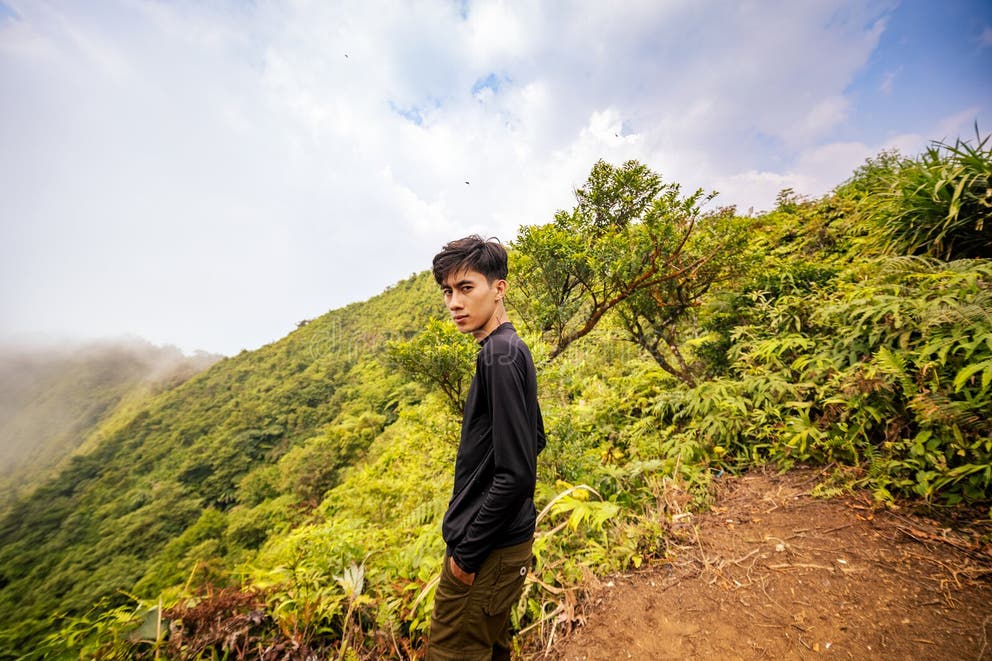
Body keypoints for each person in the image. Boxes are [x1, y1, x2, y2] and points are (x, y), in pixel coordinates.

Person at [427, 235, 546, 661]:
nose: (454, 303)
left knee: (451, 652)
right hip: (506, 544)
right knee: (492, 648)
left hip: (488, 551)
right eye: (448, 292)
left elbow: (516, 473)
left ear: (499, 288)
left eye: (466, 288)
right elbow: (536, 438)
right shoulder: (511, 347)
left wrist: (466, 556)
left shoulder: (498, 355)